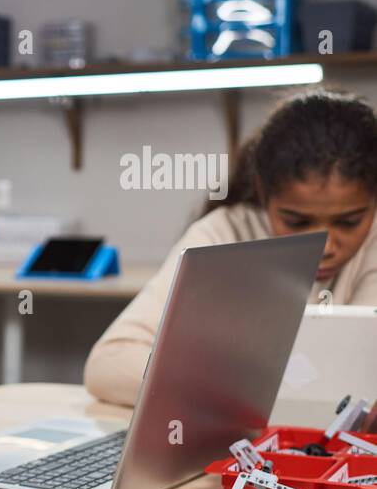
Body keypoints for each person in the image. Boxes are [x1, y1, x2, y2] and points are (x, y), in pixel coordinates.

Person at [85, 90, 377, 406]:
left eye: (349, 222)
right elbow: (108, 363)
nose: (327, 246)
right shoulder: (223, 233)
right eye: (296, 221)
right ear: (264, 193)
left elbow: (357, 372)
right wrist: (229, 392)